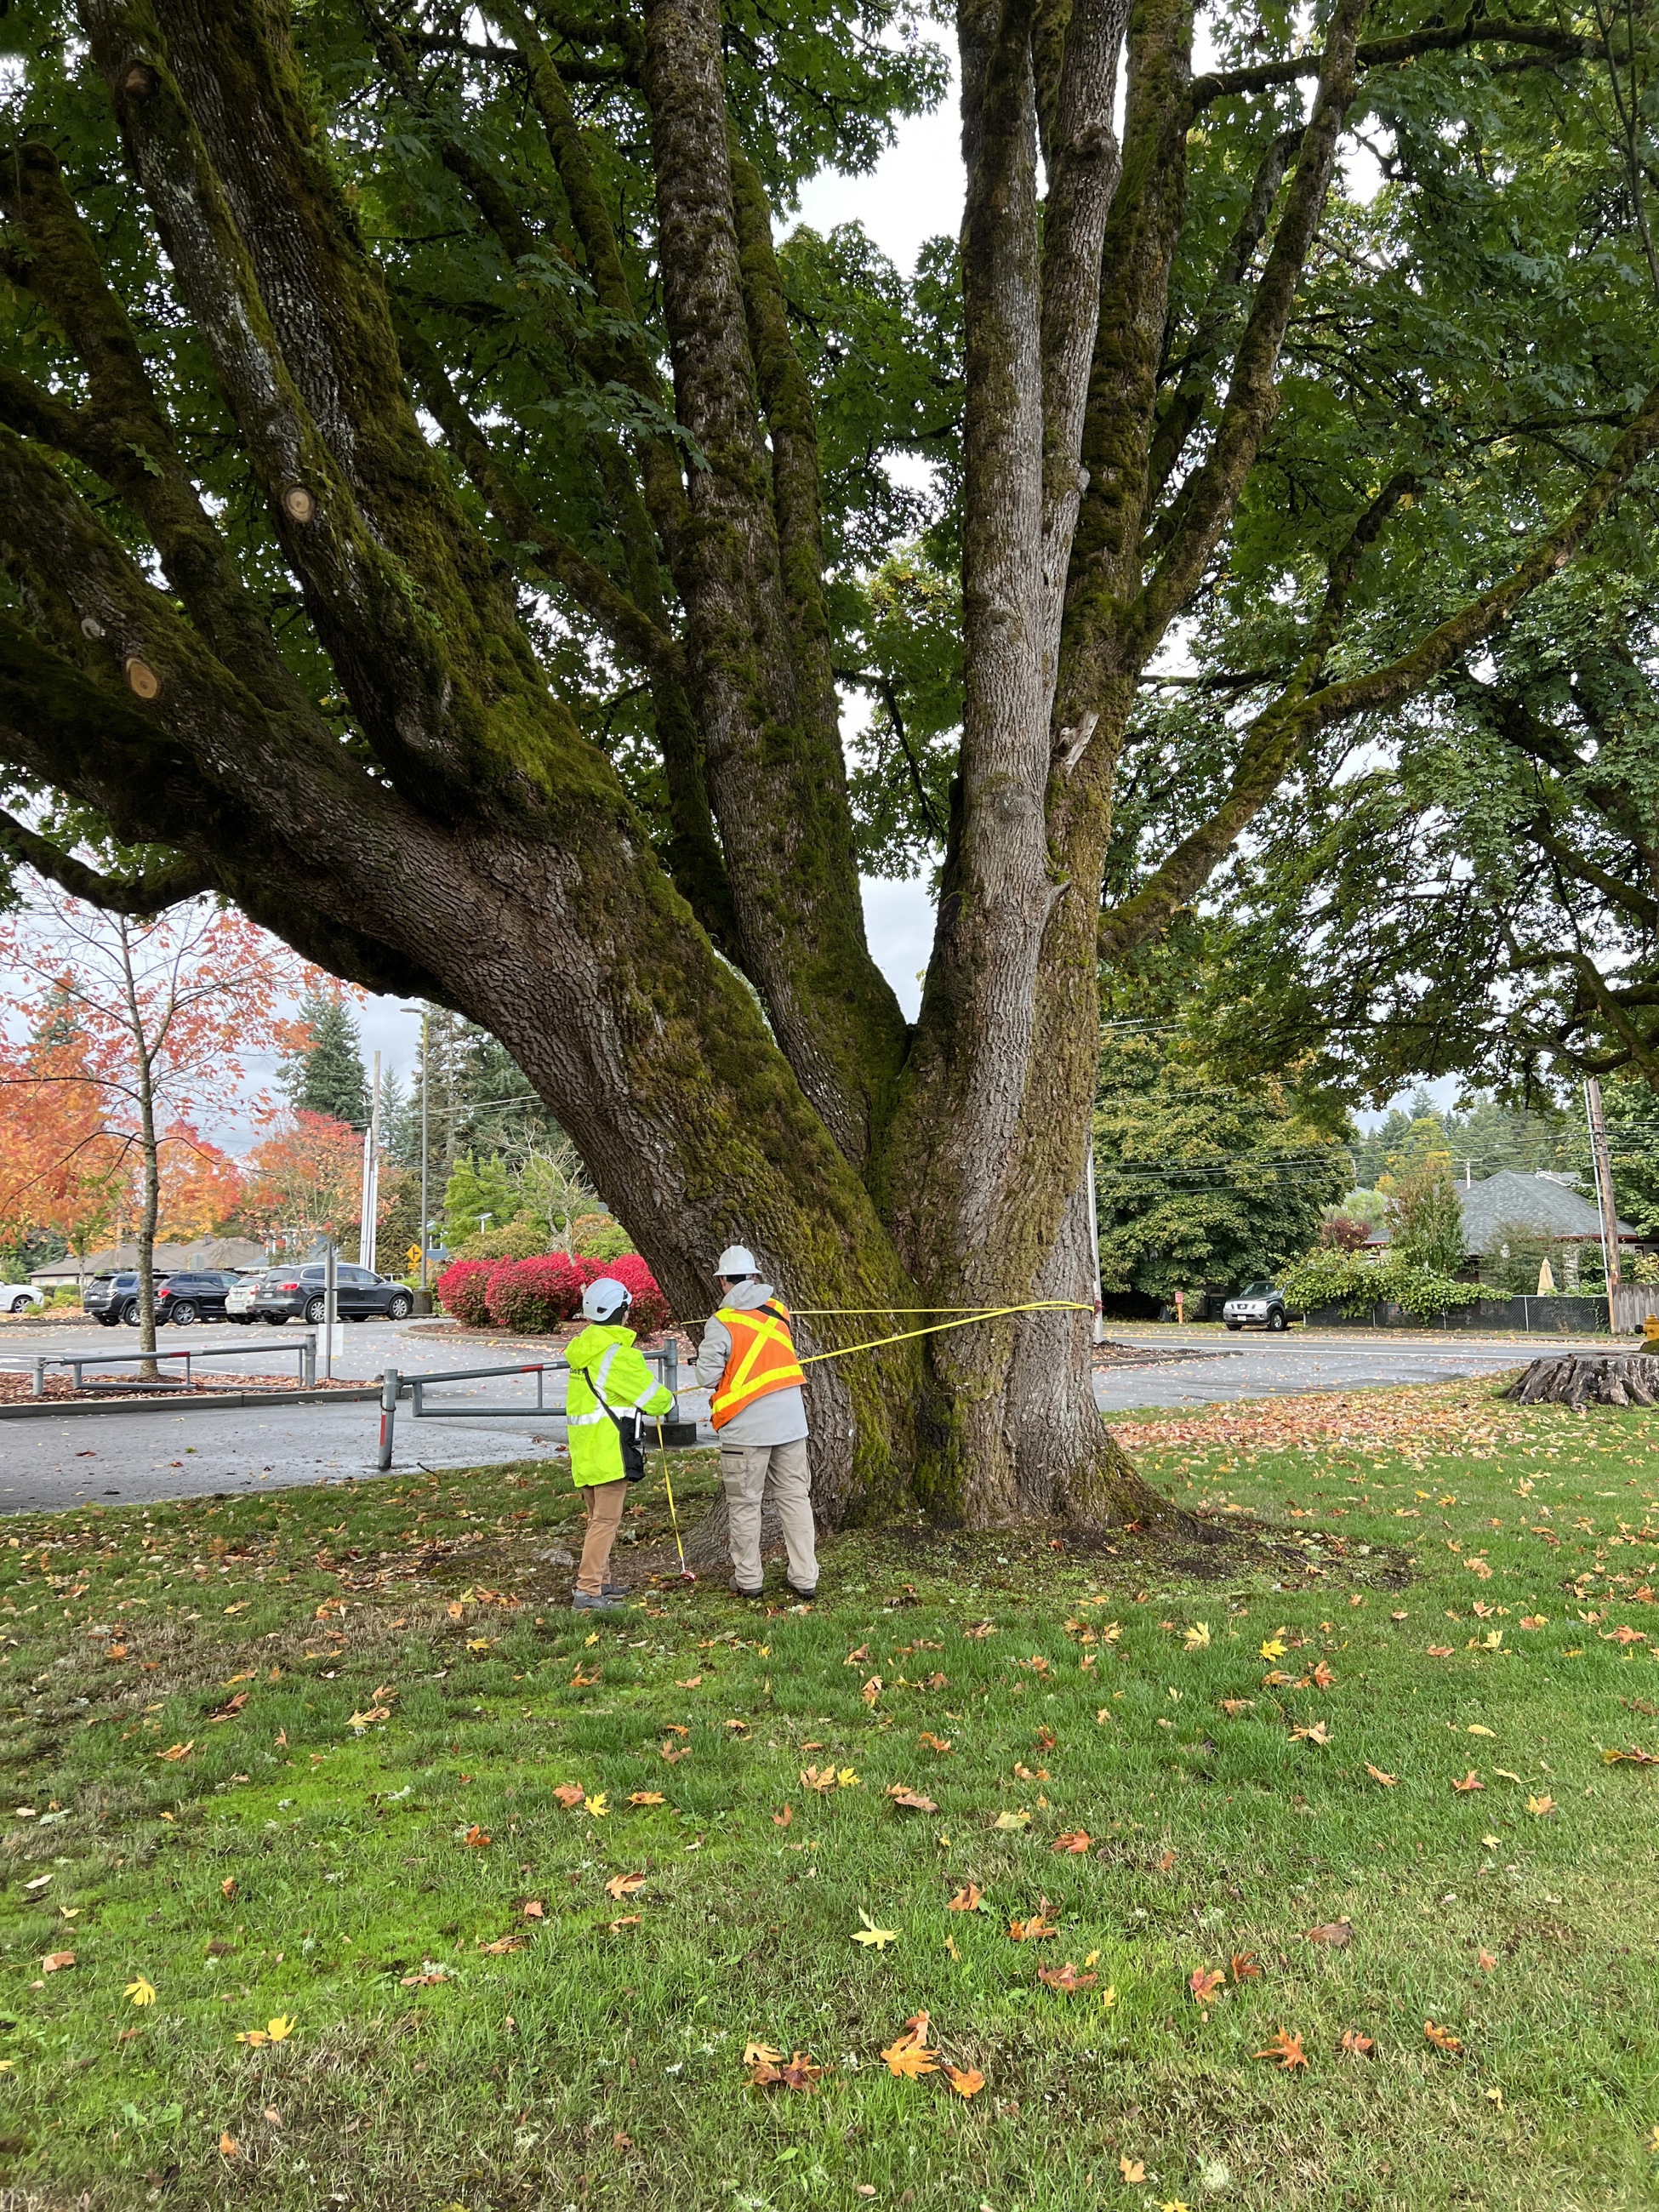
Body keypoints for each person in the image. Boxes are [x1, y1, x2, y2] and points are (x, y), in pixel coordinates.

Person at [695, 1245, 818, 1601]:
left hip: (745, 1427)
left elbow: (706, 1377)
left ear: (723, 1283)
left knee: (746, 1504)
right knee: (795, 1497)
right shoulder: (780, 1311)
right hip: (791, 1422)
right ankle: (805, 1576)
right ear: (753, 1277)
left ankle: (749, 1580)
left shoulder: (721, 1323)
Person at [565, 1275, 674, 1612]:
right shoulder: (619, 1356)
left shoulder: (584, 1351)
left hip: (585, 1451)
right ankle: (587, 1592)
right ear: (622, 1311)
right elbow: (659, 1402)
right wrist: (668, 1398)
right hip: (610, 1452)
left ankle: (601, 1580)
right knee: (605, 1523)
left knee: (598, 1519)